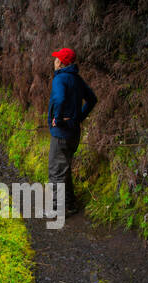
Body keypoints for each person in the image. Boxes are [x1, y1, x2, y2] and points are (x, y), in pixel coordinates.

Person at [48, 47, 97, 215]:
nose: (54, 62)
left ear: (61, 63)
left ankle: (58, 209)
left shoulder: (60, 79)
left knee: (56, 170)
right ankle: (70, 204)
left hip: (61, 133)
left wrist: (59, 119)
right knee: (64, 169)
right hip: (74, 132)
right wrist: (78, 118)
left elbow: (60, 99)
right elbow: (92, 99)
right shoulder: (77, 79)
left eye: (56, 59)